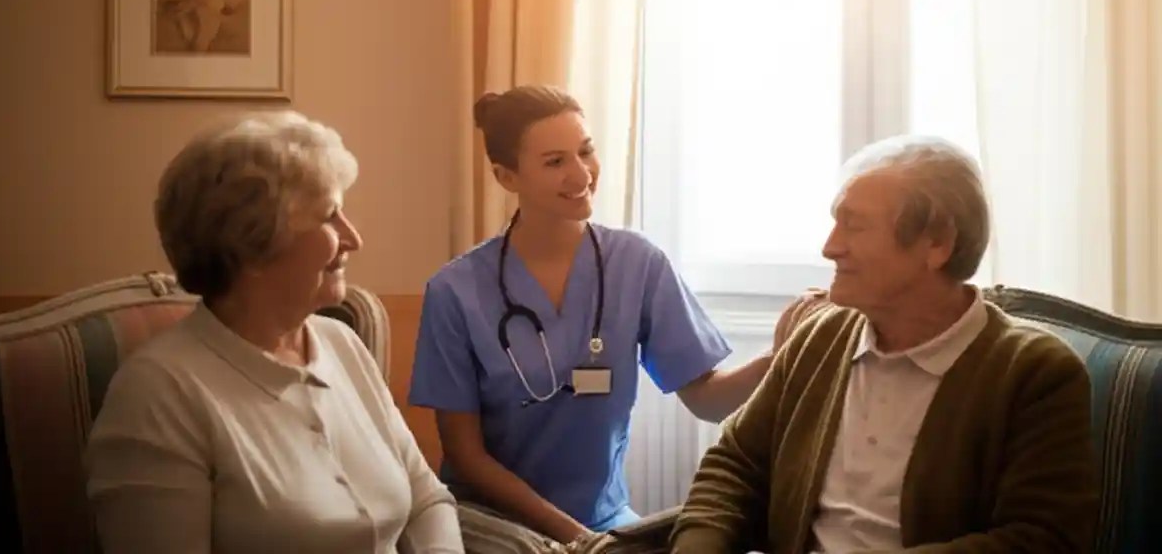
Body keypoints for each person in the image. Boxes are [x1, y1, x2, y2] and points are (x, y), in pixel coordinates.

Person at [670, 135, 1098, 553]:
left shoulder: (1034, 372)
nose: (830, 247)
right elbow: (735, 466)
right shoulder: (821, 337)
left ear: (937, 243)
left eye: (854, 225)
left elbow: (1041, 539)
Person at [408, 85, 783, 546]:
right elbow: (467, 457)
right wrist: (577, 538)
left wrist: (782, 355)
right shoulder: (455, 291)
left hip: (602, 523)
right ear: (507, 177)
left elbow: (708, 401)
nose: (581, 173)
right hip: (494, 527)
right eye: (555, 162)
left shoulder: (638, 264)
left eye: (586, 151)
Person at [86, 111, 463, 554]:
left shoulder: (342, 344)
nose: (353, 238)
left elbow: (427, 500)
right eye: (329, 216)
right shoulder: (158, 395)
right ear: (253, 245)